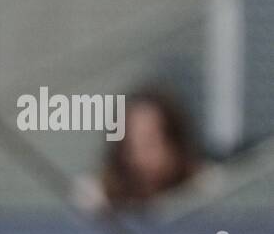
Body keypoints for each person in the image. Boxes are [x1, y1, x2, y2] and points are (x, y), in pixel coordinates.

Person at [72, 88, 205, 212]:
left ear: (175, 144)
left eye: (150, 142)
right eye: (130, 144)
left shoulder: (205, 191)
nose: (139, 156)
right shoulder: (96, 196)